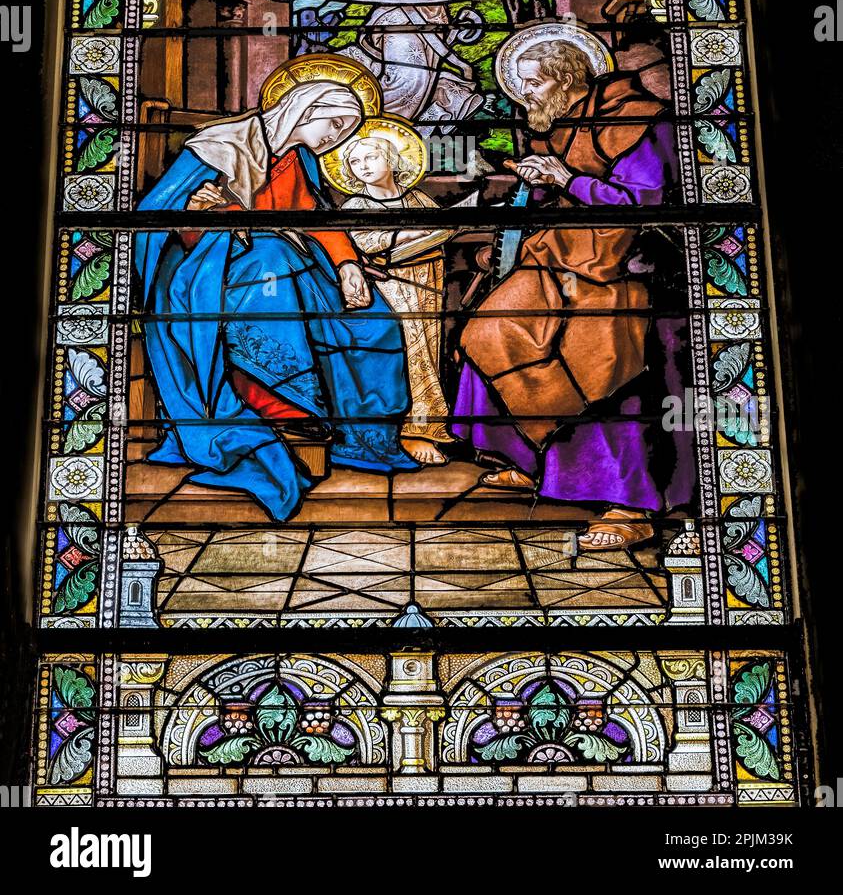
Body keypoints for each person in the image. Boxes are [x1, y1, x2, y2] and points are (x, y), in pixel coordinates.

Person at [135, 71, 416, 523]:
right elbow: (158, 219)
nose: (339, 136)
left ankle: (362, 440)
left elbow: (313, 219)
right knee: (274, 260)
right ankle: (293, 411)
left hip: (284, 264)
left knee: (370, 317)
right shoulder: (216, 147)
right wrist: (201, 214)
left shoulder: (298, 160)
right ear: (307, 112)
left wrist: (347, 266)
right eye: (337, 124)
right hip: (209, 270)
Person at [453, 31, 695, 549]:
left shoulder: (632, 119)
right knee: (489, 331)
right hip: (558, 252)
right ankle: (529, 457)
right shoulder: (555, 125)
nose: (527, 97)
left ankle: (629, 504)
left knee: (602, 361)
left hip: (625, 263)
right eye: (520, 88)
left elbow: (644, 202)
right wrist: (538, 179)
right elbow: (556, 191)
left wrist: (567, 181)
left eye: (533, 83)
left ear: (565, 77)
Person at [334, 123, 455, 466]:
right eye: (356, 163)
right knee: (406, 350)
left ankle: (429, 426)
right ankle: (411, 430)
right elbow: (366, 241)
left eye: (371, 157)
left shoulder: (417, 197)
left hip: (429, 276)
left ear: (390, 158)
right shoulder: (356, 205)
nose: (364, 166)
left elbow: (440, 228)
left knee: (429, 350)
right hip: (389, 283)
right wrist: (410, 232)